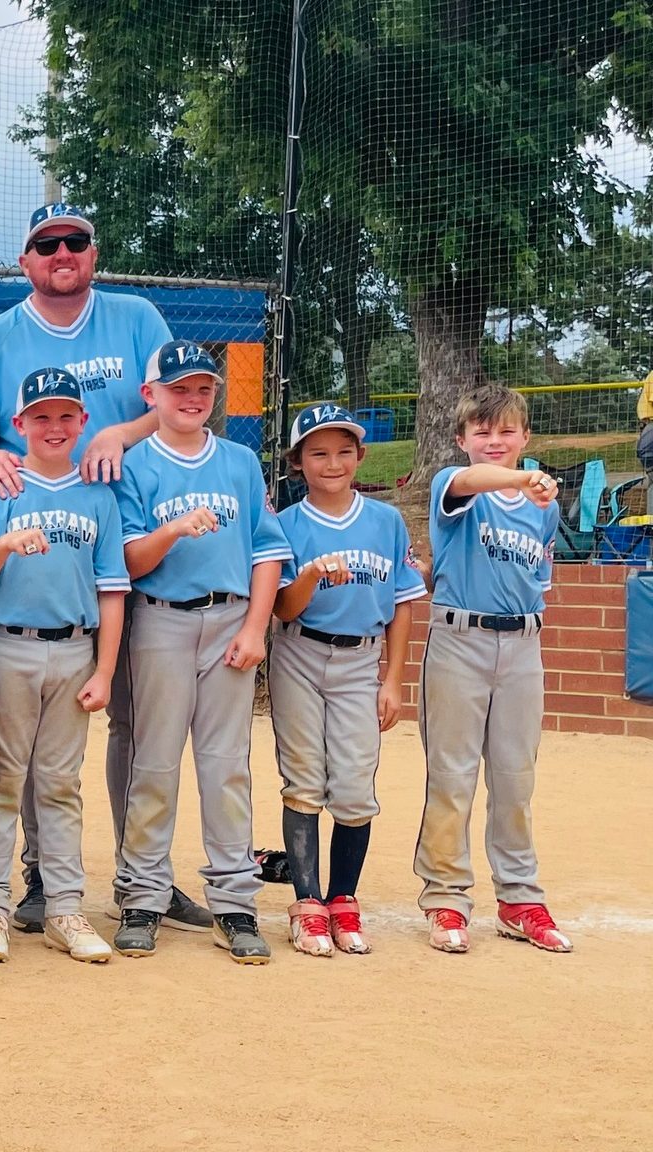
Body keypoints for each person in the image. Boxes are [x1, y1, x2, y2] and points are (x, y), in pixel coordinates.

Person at [0, 202, 193, 935]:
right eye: (45, 244)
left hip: (129, 538)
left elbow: (175, 403)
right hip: (32, 565)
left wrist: (123, 427)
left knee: (132, 728)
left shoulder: (137, 317)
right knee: (23, 756)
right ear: (25, 260)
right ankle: (37, 884)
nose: (61, 253)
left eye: (75, 241)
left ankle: (143, 880)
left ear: (93, 251)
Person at [109, 341, 291, 964]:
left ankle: (235, 902)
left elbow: (268, 551)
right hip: (160, 620)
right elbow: (129, 561)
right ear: (151, 396)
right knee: (154, 762)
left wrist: (255, 629)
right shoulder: (136, 465)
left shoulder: (239, 461)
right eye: (178, 387)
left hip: (231, 619)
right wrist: (172, 530)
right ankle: (143, 895)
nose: (192, 399)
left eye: (203, 389)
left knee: (226, 764)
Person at [0, 368, 126, 964]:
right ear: (20, 424)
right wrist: (4, 543)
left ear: (83, 423)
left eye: (66, 416)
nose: (55, 427)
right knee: (3, 779)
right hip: (8, 645)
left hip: (76, 649)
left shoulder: (98, 494)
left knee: (59, 783)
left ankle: (63, 906)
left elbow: (111, 589)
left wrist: (105, 669)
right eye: (42, 417)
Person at [415, 386, 571, 954]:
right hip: (460, 639)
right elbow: (472, 481)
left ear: (525, 437)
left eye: (506, 431)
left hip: (523, 645)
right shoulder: (455, 485)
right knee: (452, 777)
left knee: (515, 779)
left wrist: (534, 489)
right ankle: (446, 898)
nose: (495, 441)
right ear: (462, 440)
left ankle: (519, 898)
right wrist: (521, 477)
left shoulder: (544, 506)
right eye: (481, 432)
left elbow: (538, 574)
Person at [269, 404, 425, 957]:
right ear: (298, 462)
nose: (331, 463)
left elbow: (403, 605)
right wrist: (310, 574)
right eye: (317, 452)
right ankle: (308, 905)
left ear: (360, 456)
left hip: (363, 661)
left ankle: (343, 899)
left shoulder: (385, 521)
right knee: (305, 778)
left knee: (356, 787)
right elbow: (284, 609)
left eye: (343, 451)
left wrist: (394, 679)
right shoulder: (287, 525)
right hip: (300, 655)